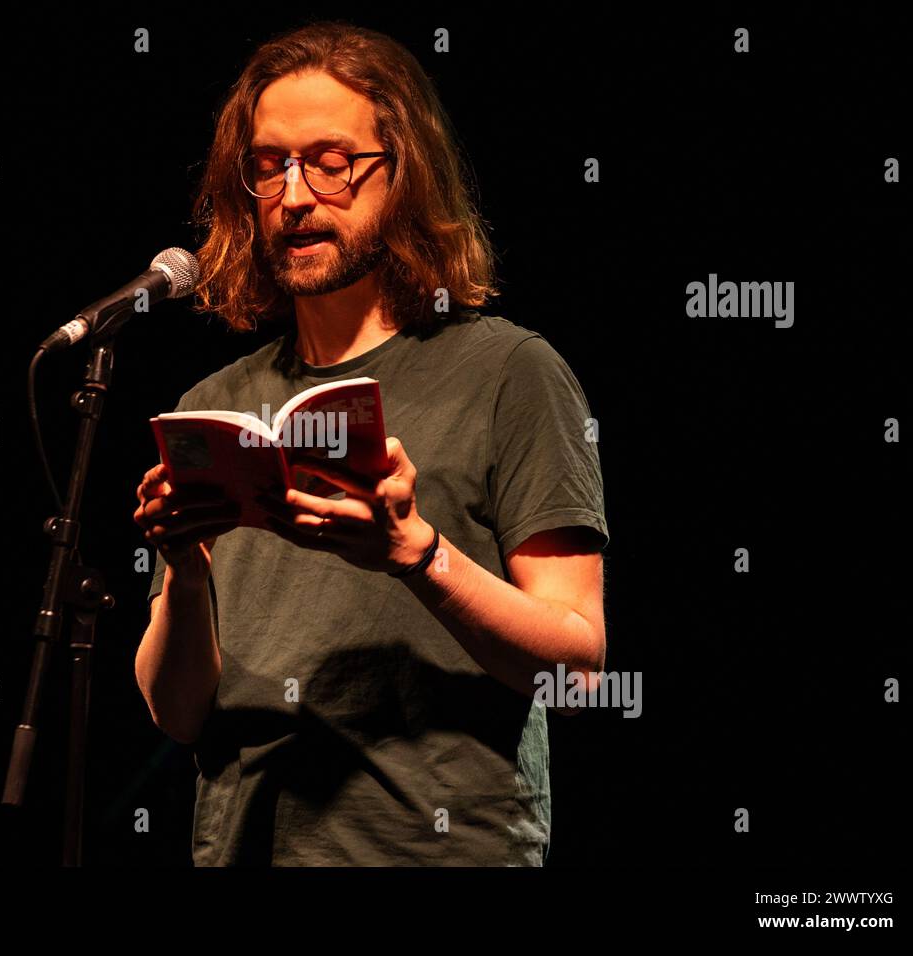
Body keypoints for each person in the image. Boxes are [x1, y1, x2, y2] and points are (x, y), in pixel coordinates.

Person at [133, 21, 608, 866]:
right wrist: (187, 568)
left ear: (403, 176)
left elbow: (579, 676)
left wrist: (418, 557)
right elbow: (178, 715)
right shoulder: (216, 405)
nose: (295, 194)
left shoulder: (509, 372)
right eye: (269, 163)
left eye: (331, 160)